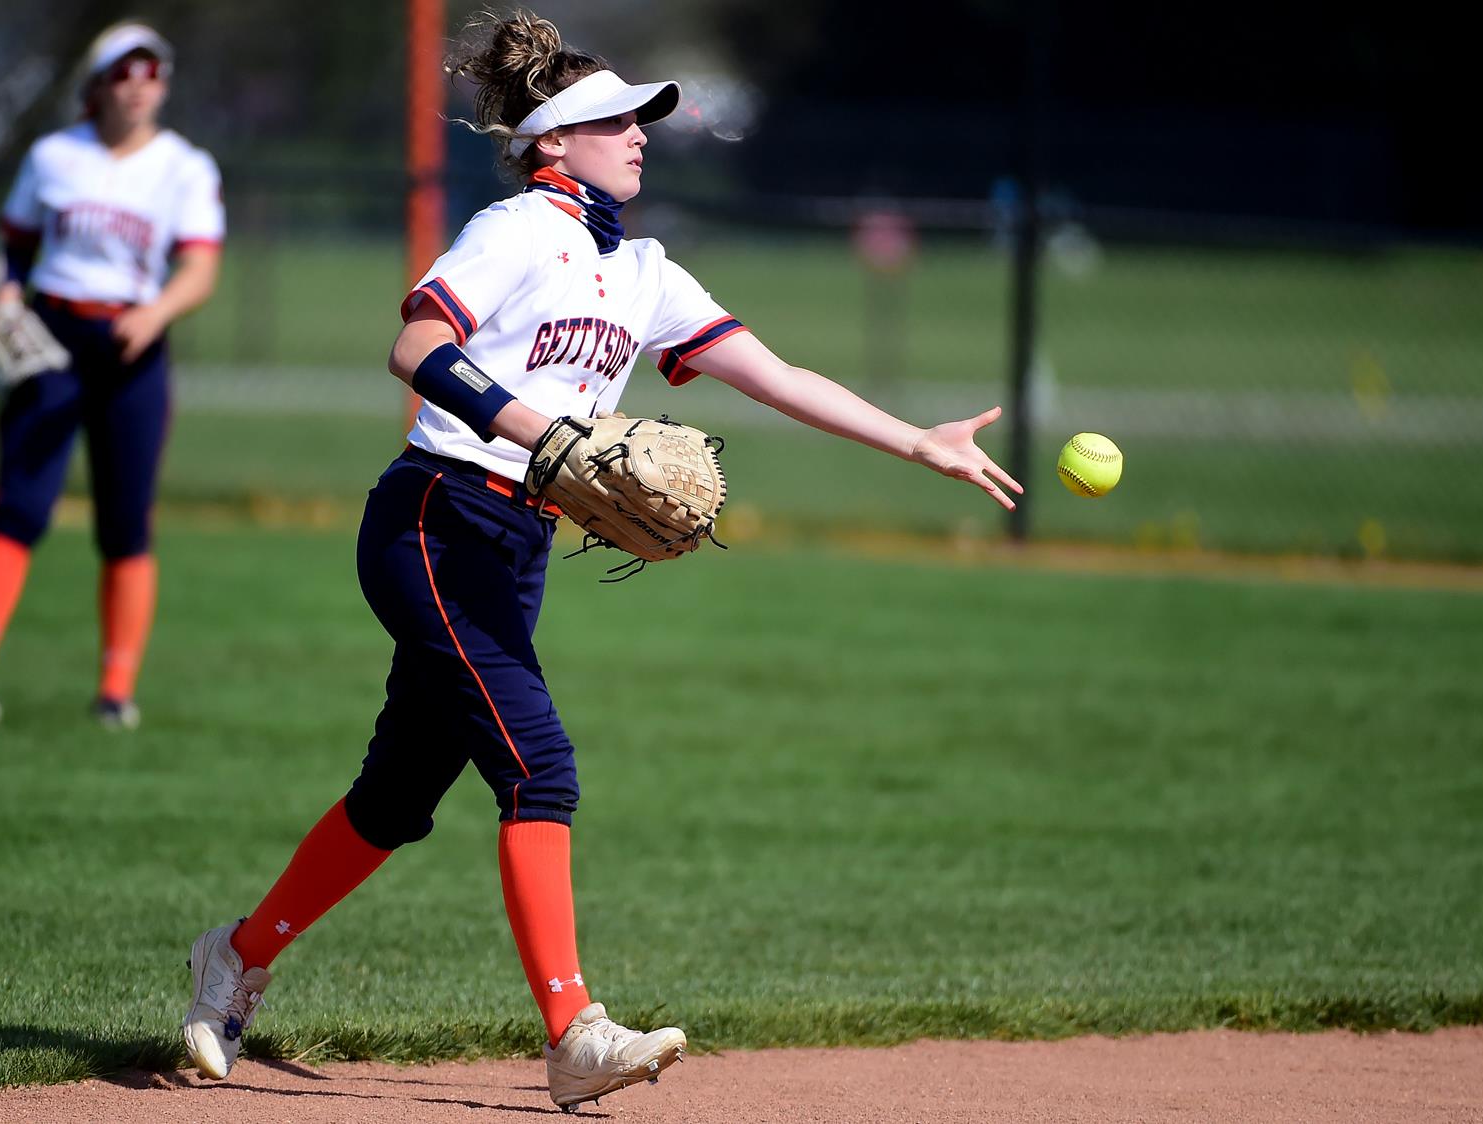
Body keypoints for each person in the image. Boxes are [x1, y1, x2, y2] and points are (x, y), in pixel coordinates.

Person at [180, 11, 1021, 1111]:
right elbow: (415, 348)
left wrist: (915, 440)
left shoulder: (645, 273)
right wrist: (547, 432)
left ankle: (236, 953)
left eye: (642, 118)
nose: (638, 133)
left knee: (395, 794)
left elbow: (775, 375)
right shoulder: (516, 228)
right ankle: (572, 1029)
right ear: (550, 142)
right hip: (431, 517)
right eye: (615, 118)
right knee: (540, 766)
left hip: (513, 544)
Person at [0, 22, 224, 730]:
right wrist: (5, 297)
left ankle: (115, 693)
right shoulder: (53, 156)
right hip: (54, 338)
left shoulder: (183, 166)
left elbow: (200, 266)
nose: (140, 84)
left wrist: (157, 312)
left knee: (127, 521)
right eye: (124, 71)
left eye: (152, 72)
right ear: (97, 84)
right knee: (21, 504)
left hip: (134, 345)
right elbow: (14, 247)